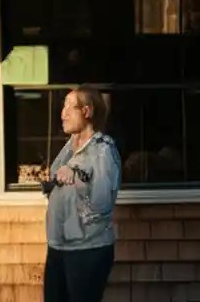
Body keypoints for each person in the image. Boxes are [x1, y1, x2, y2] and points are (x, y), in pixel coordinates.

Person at [42, 85, 122, 302]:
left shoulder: (103, 150)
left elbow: (102, 204)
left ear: (86, 111)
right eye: (63, 107)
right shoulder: (69, 148)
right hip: (59, 248)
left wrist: (77, 177)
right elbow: (55, 181)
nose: (63, 113)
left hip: (87, 251)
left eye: (70, 107)